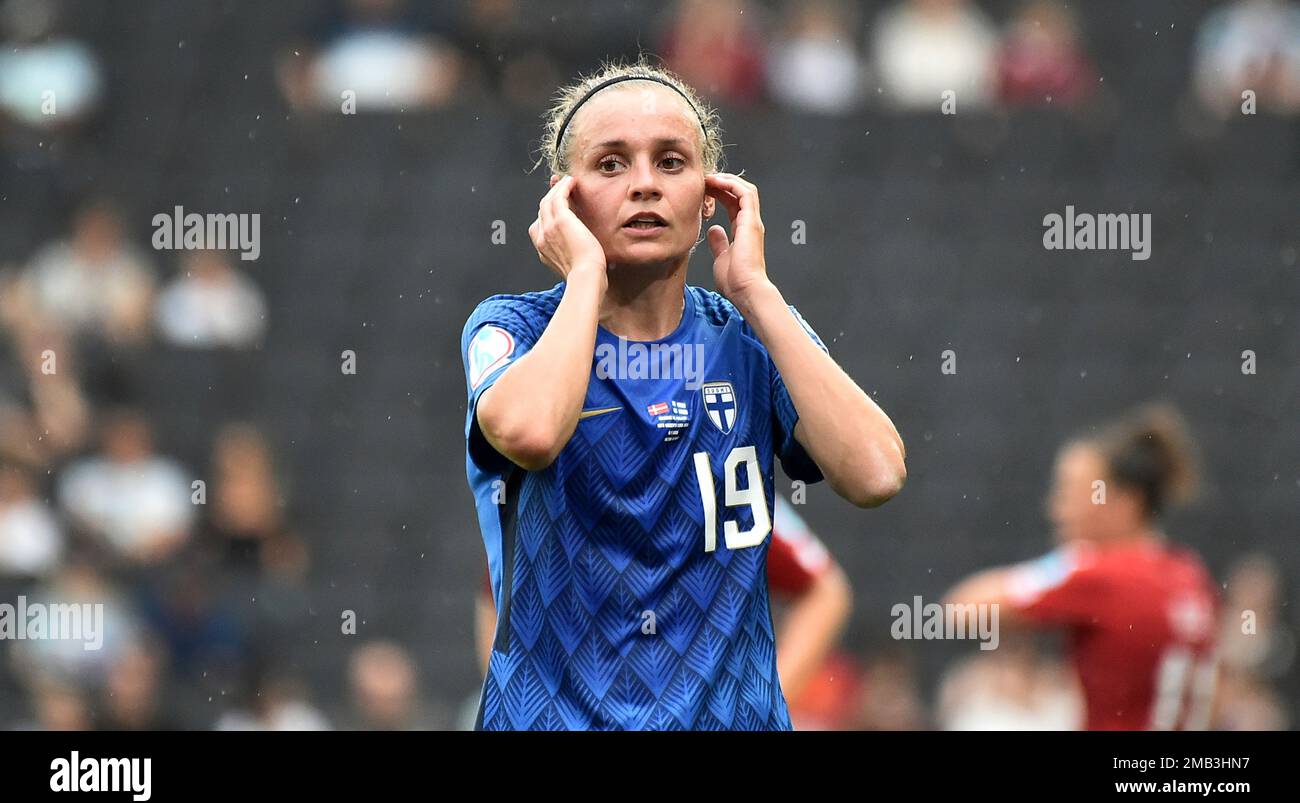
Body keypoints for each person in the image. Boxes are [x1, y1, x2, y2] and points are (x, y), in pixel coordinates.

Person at [460, 58, 905, 730]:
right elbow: (530, 431)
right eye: (611, 164)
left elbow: (876, 472)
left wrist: (759, 292)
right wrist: (585, 274)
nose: (643, 184)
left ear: (710, 194)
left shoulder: (752, 336)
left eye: (671, 161)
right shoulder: (510, 328)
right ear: (564, 199)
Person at [945, 403, 1218, 730]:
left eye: (1072, 493)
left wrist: (1068, 561)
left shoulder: (1103, 574)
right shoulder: (1188, 573)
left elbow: (963, 608)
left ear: (1126, 502)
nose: (1057, 510)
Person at [473, 494, 853, 712]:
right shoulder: (559, 473)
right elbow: (497, 594)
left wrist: (760, 704)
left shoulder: (717, 471)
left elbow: (824, 591)